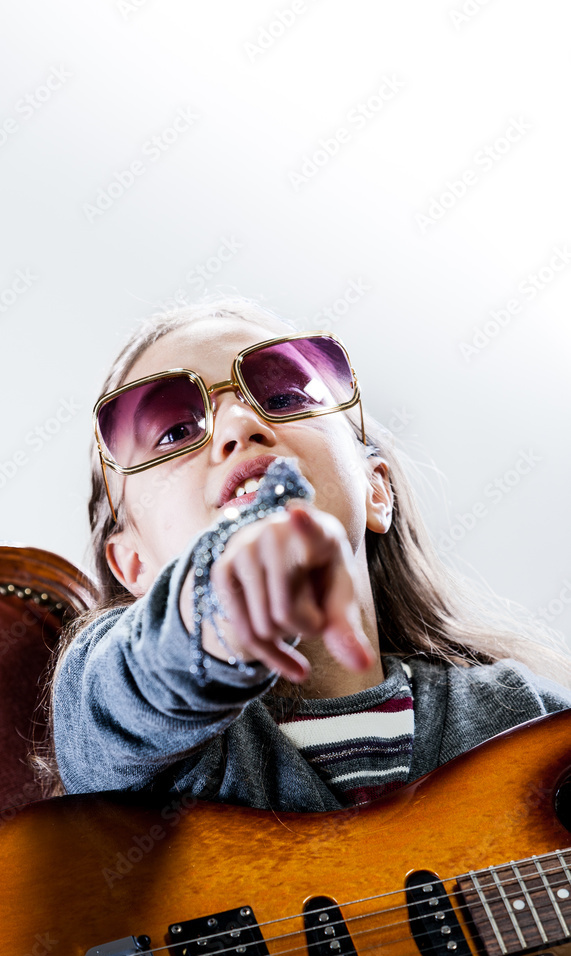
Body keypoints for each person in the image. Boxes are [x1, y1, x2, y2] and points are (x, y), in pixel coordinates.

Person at [40, 296, 571, 812]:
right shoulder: (113, 725)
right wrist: (217, 608)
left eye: (285, 396)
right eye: (175, 431)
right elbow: (129, 684)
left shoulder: (526, 718)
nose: (239, 426)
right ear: (134, 564)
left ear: (375, 490)